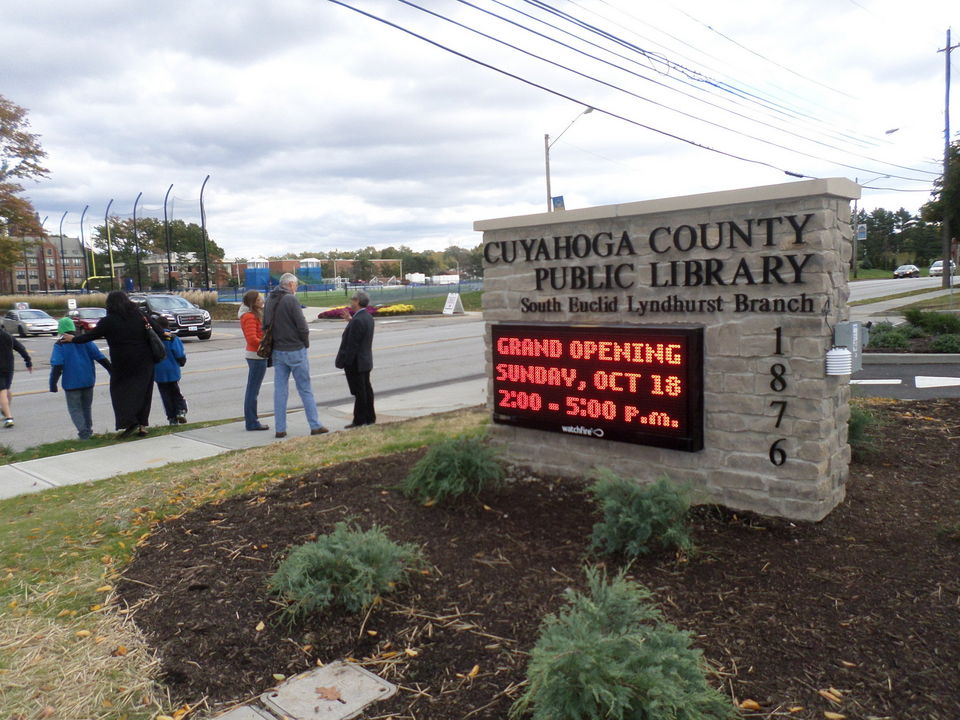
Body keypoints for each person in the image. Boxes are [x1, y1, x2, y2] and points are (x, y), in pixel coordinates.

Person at [65, 290, 160, 437]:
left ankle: (129, 421)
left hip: (122, 362)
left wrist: (72, 339)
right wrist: (167, 335)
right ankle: (142, 426)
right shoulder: (140, 315)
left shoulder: (108, 321)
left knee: (120, 392)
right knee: (144, 392)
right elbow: (158, 330)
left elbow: (89, 336)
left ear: (109, 304)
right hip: (145, 359)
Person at [262, 272, 328, 439]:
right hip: (295, 349)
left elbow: (265, 324)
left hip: (277, 350)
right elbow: (303, 327)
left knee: (280, 390)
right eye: (296, 285)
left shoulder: (270, 299)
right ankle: (315, 425)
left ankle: (280, 428)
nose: (296, 288)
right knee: (305, 389)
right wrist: (305, 343)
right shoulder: (290, 299)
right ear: (290, 285)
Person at [49, 316, 112, 439]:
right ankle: (88, 429)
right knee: (86, 407)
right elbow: (100, 357)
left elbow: (57, 365)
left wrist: (53, 383)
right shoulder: (85, 341)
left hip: (71, 383)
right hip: (88, 380)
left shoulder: (60, 345)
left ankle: (84, 433)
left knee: (75, 409)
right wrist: (111, 371)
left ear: (60, 330)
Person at [335, 290, 376, 428]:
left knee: (360, 392)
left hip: (356, 363)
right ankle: (370, 417)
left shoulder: (358, 320)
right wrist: (350, 321)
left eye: (352, 299)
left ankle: (359, 420)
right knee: (366, 390)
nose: (351, 302)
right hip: (365, 360)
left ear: (357, 301)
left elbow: (352, 345)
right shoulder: (367, 317)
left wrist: (345, 362)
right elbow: (360, 331)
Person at [239, 289, 270, 431]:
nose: (262, 300)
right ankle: (251, 422)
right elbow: (251, 339)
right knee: (252, 390)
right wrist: (266, 344)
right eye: (259, 299)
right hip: (256, 356)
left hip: (257, 355)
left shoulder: (254, 314)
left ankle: (252, 420)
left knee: (253, 389)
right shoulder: (249, 317)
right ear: (253, 303)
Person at [153, 316, 188, 425]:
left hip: (158, 371)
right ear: (168, 325)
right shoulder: (173, 338)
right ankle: (181, 411)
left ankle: (171, 418)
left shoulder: (153, 338)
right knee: (175, 392)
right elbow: (179, 353)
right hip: (172, 370)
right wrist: (182, 361)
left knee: (165, 395)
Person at [0, 324, 33, 428]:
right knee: (7, 389)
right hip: (9, 367)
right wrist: (28, 361)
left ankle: (9, 417)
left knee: (2, 391)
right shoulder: (8, 336)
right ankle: (5, 411)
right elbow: (21, 348)